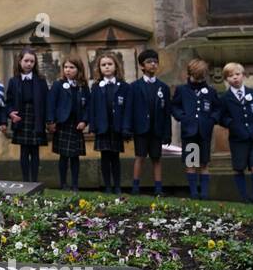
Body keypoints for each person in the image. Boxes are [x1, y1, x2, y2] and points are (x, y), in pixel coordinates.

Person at [218, 62, 253, 203]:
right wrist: (232, 125)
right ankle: (244, 197)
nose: (234, 78)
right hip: (237, 139)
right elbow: (220, 116)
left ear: (243, 76)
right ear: (226, 79)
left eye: (237, 74)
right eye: (230, 76)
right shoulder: (224, 98)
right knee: (239, 167)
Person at [171, 57, 219, 200]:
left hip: (204, 131)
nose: (198, 80)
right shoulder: (182, 90)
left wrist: (212, 120)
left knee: (203, 163)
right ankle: (193, 193)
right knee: (191, 162)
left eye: (201, 77)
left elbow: (217, 108)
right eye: (196, 76)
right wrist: (182, 117)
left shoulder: (210, 91)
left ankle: (204, 193)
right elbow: (174, 106)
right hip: (189, 131)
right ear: (190, 74)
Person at [125, 48, 170, 196]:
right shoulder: (134, 87)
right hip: (141, 128)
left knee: (156, 158)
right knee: (140, 157)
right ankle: (136, 187)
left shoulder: (163, 87)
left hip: (156, 129)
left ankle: (158, 188)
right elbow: (129, 109)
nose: (153, 65)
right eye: (149, 62)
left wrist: (167, 132)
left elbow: (166, 112)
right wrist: (128, 128)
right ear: (142, 66)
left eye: (156, 62)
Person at [88, 53, 128, 195]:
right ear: (99, 68)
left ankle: (117, 185)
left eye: (110, 64)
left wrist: (126, 127)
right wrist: (92, 126)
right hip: (103, 126)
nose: (107, 67)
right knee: (105, 157)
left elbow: (127, 108)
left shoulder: (123, 86)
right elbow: (92, 107)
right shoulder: (96, 86)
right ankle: (107, 186)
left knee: (115, 158)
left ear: (116, 66)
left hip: (116, 126)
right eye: (103, 65)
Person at [5, 48, 47, 182]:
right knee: (24, 151)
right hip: (21, 118)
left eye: (32, 61)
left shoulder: (41, 80)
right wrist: (10, 113)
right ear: (20, 61)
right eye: (26, 61)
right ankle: (25, 181)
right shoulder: (14, 81)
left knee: (35, 151)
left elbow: (47, 100)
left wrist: (48, 120)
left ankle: (34, 181)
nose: (29, 64)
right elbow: (8, 102)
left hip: (36, 117)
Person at [48, 56, 89, 191]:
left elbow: (88, 106)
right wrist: (51, 121)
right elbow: (51, 104)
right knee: (64, 156)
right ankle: (63, 184)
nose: (68, 70)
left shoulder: (83, 86)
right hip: (62, 124)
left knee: (75, 157)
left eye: (72, 67)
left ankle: (75, 184)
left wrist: (84, 121)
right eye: (66, 67)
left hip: (76, 125)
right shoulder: (58, 84)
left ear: (78, 70)